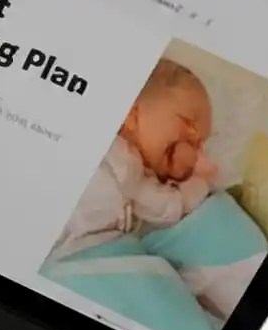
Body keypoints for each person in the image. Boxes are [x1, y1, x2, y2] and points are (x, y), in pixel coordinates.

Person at [52, 59, 219, 259]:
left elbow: (168, 209)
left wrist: (195, 177)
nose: (191, 139)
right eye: (187, 121)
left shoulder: (138, 177)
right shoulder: (112, 149)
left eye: (197, 143)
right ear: (131, 112)